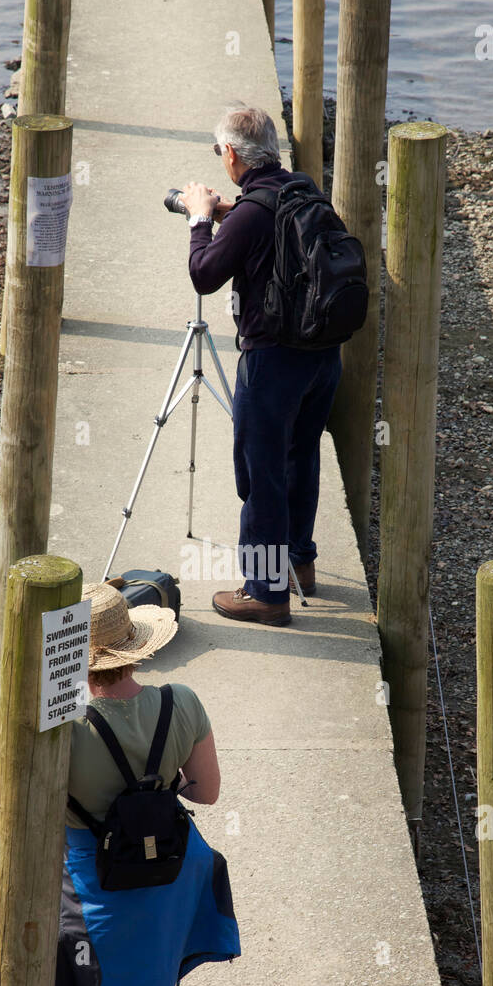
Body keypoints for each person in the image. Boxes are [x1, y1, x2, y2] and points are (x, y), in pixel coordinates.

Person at [50, 581, 240, 986]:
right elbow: (206, 792)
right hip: (171, 871)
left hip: (92, 877)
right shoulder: (181, 702)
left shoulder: (62, 727)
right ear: (133, 645)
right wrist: (153, 796)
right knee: (147, 978)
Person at [179, 103, 343, 627]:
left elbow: (204, 274)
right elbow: (277, 242)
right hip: (322, 357)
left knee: (260, 474)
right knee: (301, 457)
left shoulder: (251, 213)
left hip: (272, 361)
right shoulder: (302, 189)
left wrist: (202, 220)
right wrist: (233, 215)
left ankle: (265, 593)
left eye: (218, 151)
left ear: (231, 154)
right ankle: (299, 563)